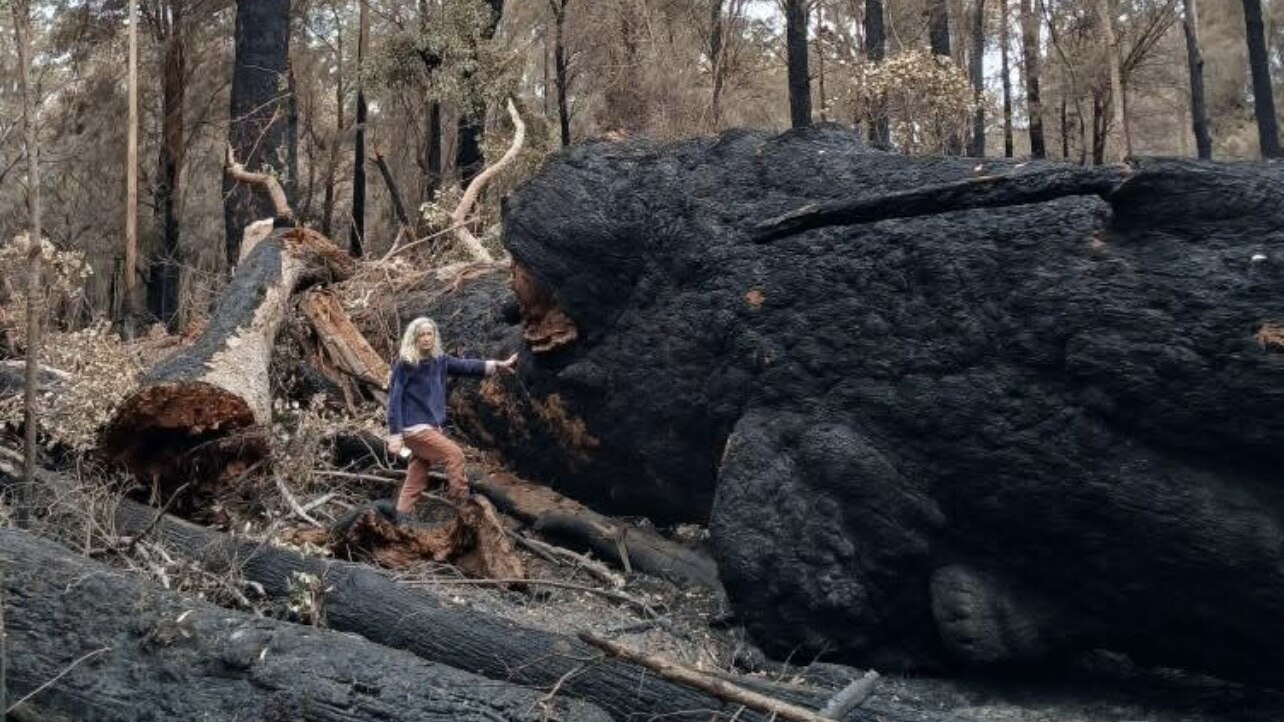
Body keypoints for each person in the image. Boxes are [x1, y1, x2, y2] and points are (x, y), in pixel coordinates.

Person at [387, 316, 516, 517]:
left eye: (429, 334)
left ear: (434, 337)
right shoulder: (405, 365)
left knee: (417, 475)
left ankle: (400, 517)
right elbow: (394, 401)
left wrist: (498, 365)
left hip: (431, 427)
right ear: (413, 339)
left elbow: (467, 366)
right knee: (454, 454)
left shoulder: (440, 361)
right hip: (414, 429)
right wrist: (395, 435)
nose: (426, 338)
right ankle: (463, 507)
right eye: (421, 335)